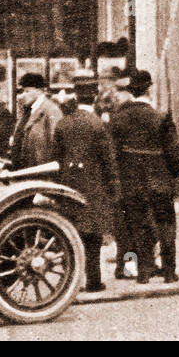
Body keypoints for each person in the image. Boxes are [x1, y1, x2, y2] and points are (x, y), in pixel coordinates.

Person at [109, 71, 179, 284]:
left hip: (131, 182)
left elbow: (113, 155)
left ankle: (143, 272)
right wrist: (172, 175)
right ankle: (169, 271)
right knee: (166, 225)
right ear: (149, 90)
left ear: (131, 92)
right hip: (160, 180)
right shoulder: (161, 117)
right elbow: (174, 153)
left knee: (138, 226)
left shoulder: (118, 118)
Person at [55, 81, 121, 293]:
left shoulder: (63, 123)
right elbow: (108, 160)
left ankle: (72, 280)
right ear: (94, 96)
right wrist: (114, 188)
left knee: (71, 233)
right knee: (92, 235)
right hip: (94, 186)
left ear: (75, 96)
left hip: (68, 185)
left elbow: (55, 158)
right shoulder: (98, 124)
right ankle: (93, 280)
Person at [7, 73, 63, 169]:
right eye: (21, 92)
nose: (21, 96)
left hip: (42, 171)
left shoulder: (51, 110)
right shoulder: (27, 111)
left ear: (39, 91)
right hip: (27, 170)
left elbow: (56, 144)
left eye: (27, 91)